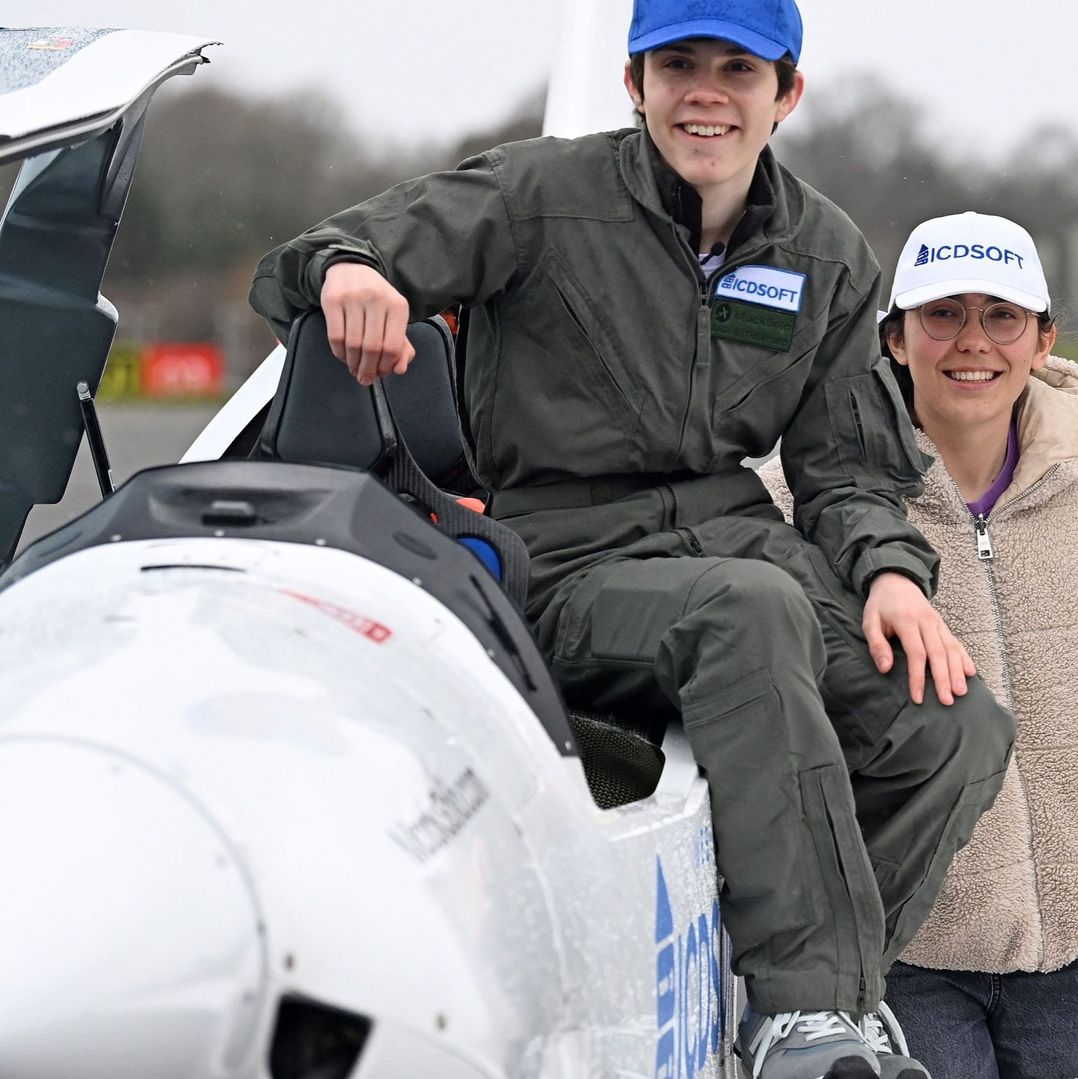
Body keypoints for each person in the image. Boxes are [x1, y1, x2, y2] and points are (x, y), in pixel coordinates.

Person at [249, 3, 1017, 1078]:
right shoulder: (536, 195)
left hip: (737, 531)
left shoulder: (825, 252)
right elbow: (314, 254)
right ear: (635, 81)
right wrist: (346, 274)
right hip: (564, 551)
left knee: (952, 723)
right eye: (679, 65)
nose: (705, 91)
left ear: (785, 94)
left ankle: (801, 1003)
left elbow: (844, 467)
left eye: (736, 69)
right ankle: (809, 1016)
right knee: (748, 612)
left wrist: (890, 572)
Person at [761, 211, 1078, 1078]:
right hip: (909, 945)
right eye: (942, 314)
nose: (972, 342)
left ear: (1043, 338)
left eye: (1002, 315)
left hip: (1077, 941)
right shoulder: (802, 501)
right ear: (894, 339)